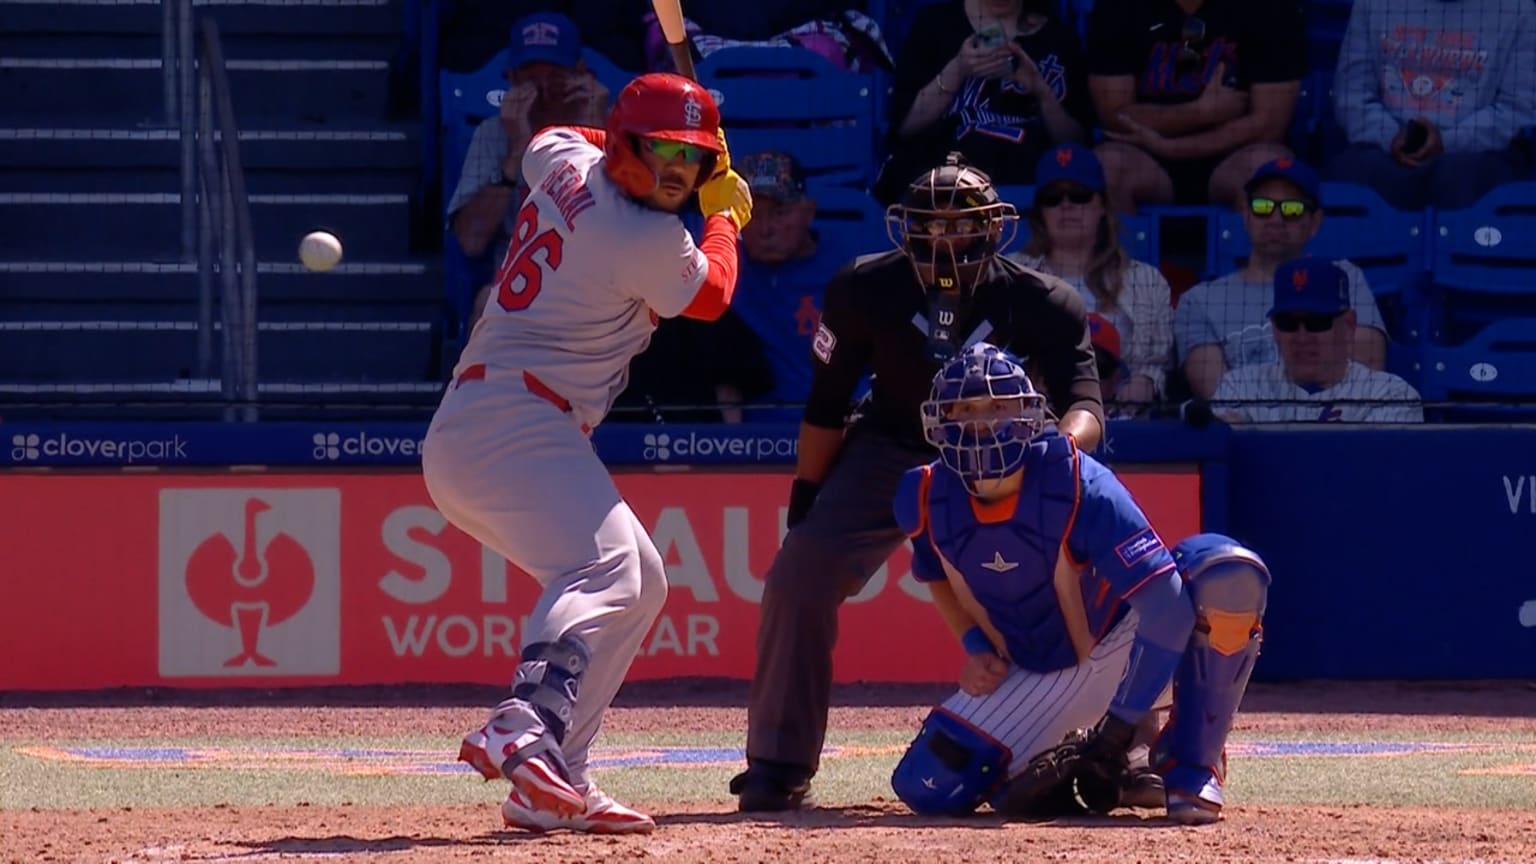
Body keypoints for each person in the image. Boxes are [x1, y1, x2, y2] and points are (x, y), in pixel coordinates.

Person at [421, 72, 752, 835]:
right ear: (627, 144)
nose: (674, 170)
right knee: (605, 570)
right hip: (513, 421)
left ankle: (553, 777)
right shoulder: (642, 235)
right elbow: (710, 297)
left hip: (497, 421)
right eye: (661, 151)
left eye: (690, 157)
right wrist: (723, 213)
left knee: (641, 582)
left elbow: (546, 142)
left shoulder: (567, 156)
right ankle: (523, 722)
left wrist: (673, 146)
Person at [730, 152, 1106, 812]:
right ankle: (779, 762)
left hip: (1008, 458)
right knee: (798, 573)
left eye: (962, 226)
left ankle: (1100, 750)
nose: (945, 239)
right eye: (931, 225)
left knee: (1074, 589)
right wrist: (807, 502)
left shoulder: (1047, 302)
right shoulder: (863, 289)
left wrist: (1058, 458)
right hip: (892, 447)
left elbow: (1086, 405)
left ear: (994, 230)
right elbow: (825, 405)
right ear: (905, 229)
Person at [888, 342, 1269, 824]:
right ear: (942, 421)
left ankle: (1183, 760)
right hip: (1031, 665)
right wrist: (974, 643)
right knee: (929, 786)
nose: (983, 422)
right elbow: (936, 576)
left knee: (1224, 573)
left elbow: (1167, 610)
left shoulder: (1076, 482)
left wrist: (1114, 729)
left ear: (1027, 414)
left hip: (1118, 646)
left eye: (999, 407)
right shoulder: (921, 494)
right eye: (967, 410)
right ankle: (1120, 763)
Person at [1175, 158, 1389, 401]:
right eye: (1263, 206)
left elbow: (1365, 375)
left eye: (1292, 209)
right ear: (1246, 214)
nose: (1275, 219)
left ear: (1315, 222)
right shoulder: (1200, 301)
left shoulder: (1344, 277)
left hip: (1334, 427)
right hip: (1251, 435)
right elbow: (1222, 402)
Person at [1085, 0, 1306, 213]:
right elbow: (1115, 117)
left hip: (1235, 154)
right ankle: (1120, 253)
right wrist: (1201, 112)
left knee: (1267, 167)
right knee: (1106, 167)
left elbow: (1269, 126)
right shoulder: (1118, 5)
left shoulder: (1270, 6)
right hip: (1144, 157)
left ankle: (1246, 252)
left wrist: (1172, 147)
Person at [874, 0, 1093, 204]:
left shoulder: (1060, 38)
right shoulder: (936, 24)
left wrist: (1041, 91)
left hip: (1032, 193)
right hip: (944, 188)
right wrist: (957, 70)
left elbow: (1077, 145)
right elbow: (906, 126)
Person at [1010, 144, 1174, 410]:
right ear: (1040, 212)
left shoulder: (1147, 281)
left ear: (1102, 206)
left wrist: (1146, 382)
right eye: (1053, 197)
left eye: (1079, 195)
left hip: (1123, 416)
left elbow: (1155, 364)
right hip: (1036, 415)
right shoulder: (1012, 276)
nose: (1066, 206)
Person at [1329, 0, 1536, 211]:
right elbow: (1351, 96)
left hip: (1473, 157)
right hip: (1386, 149)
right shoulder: (1372, 3)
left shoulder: (1520, 9)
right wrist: (1393, 137)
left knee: (1460, 176)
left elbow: (1516, 109)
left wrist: (1447, 142)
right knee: (1352, 171)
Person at [447, 12, 609, 275]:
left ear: (580, 72)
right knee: (485, 300)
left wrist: (596, 133)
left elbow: (634, 223)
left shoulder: (614, 127)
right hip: (520, 282)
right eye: (531, 79)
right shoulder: (493, 133)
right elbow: (470, 242)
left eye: (555, 76)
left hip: (599, 275)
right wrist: (517, 151)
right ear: (511, 78)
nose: (543, 90)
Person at [1211, 258, 1424, 423]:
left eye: (1317, 322)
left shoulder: (1388, 394)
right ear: (1274, 328)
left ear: (1349, 326)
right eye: (1288, 323)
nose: (1302, 337)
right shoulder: (1240, 387)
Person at [728, 150, 850, 421]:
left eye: (779, 213)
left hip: (835, 421)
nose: (765, 228)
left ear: (808, 211)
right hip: (750, 434)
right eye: (751, 214)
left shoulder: (847, 271)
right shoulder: (724, 265)